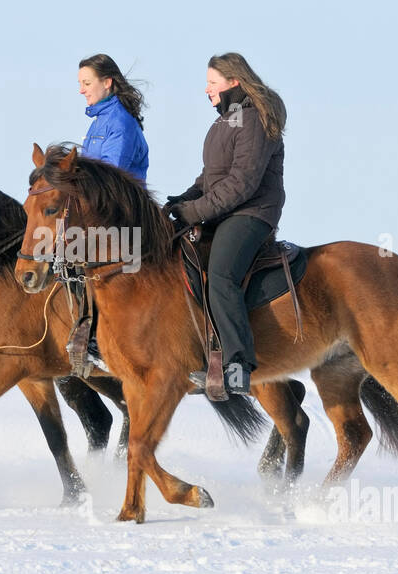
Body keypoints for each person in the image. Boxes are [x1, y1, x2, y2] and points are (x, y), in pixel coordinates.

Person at [166, 53, 287, 396]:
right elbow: (210, 177)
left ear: (233, 81)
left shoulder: (253, 119)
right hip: (223, 210)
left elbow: (242, 184)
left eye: (211, 82)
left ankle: (236, 367)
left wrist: (196, 211)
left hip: (251, 213)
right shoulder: (225, 122)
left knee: (220, 274)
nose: (206, 89)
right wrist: (182, 201)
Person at [78, 54, 149, 182]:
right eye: (80, 84)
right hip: (96, 199)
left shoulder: (120, 122)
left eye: (87, 84)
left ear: (107, 83)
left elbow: (110, 175)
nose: (81, 90)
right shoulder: (99, 121)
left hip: (118, 201)